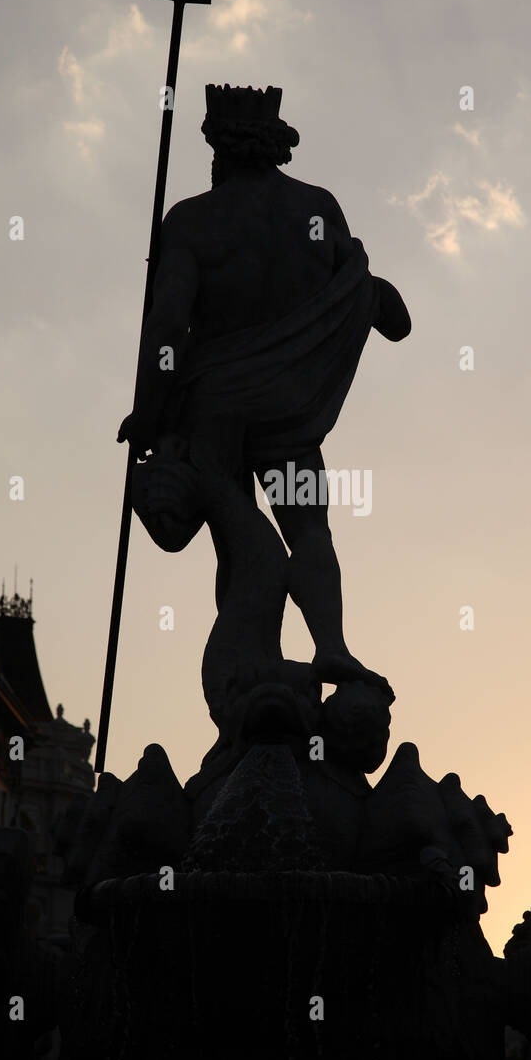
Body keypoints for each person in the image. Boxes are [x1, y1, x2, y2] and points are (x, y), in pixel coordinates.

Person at [118, 84, 410, 691]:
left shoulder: (194, 220)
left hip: (216, 402)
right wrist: (372, 299)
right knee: (307, 526)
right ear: (275, 148)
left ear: (221, 151)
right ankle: (329, 644)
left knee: (235, 534)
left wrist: (149, 409)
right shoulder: (315, 208)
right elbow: (366, 294)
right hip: (290, 408)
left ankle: (254, 657)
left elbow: (169, 325)